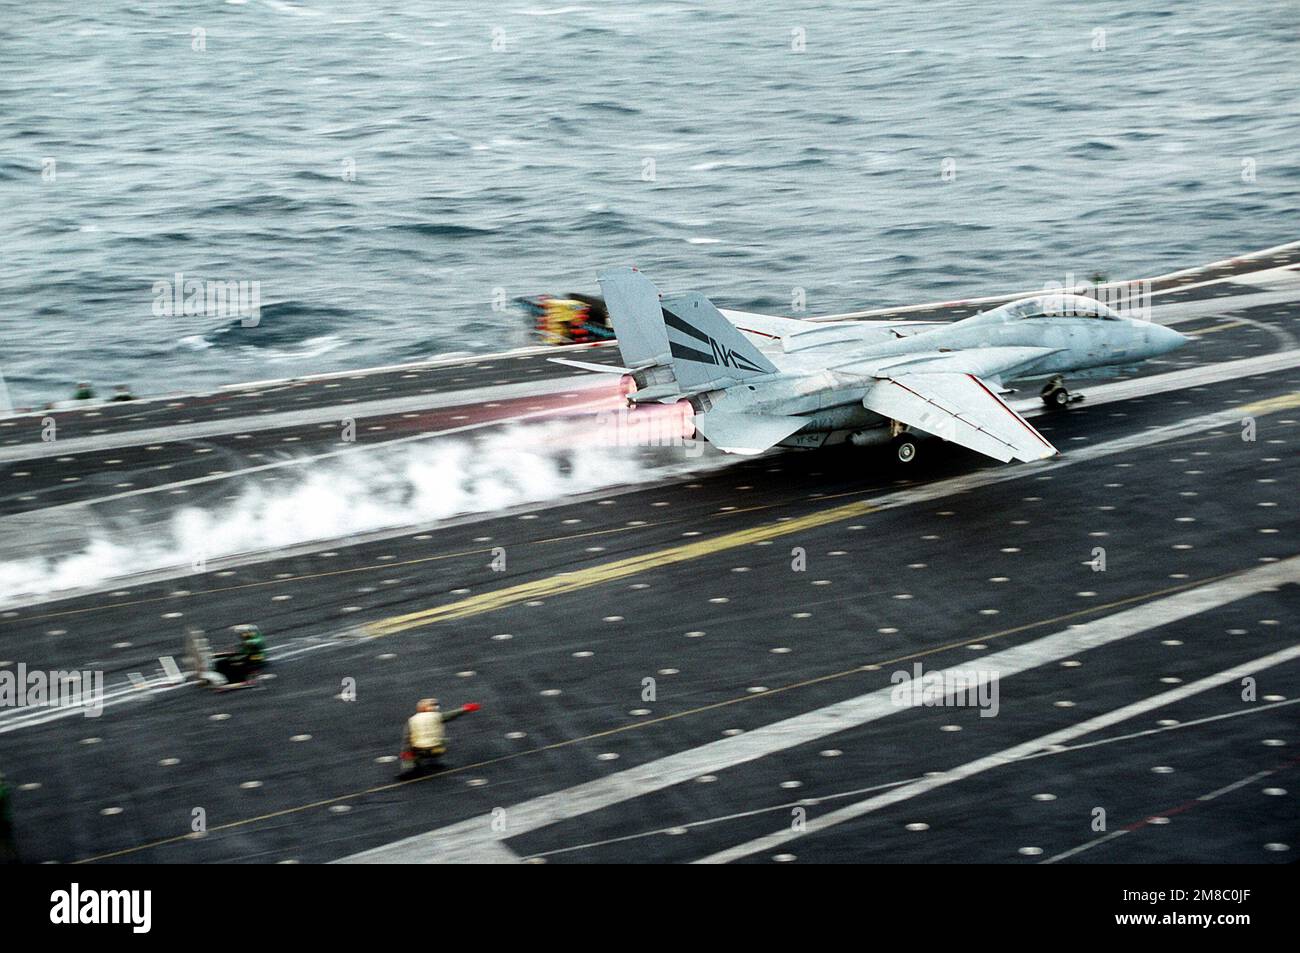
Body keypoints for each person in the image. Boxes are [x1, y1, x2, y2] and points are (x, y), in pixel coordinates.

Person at [400, 698, 479, 774]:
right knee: (443, 740)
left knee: (408, 750)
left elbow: (406, 739)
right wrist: (466, 709)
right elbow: (453, 714)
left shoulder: (411, 720)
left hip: (420, 751)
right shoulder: (438, 716)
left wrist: (407, 753)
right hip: (437, 750)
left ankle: (410, 769)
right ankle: (434, 762)